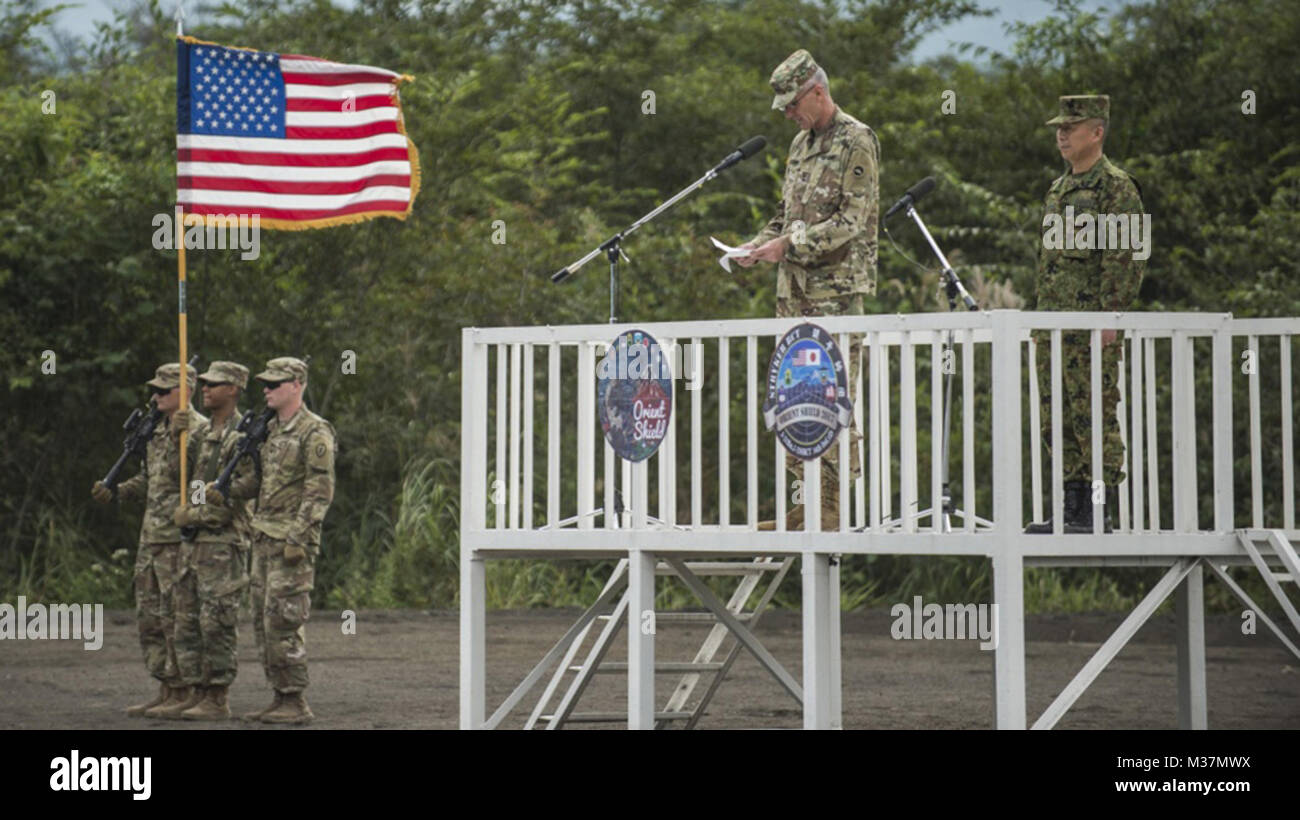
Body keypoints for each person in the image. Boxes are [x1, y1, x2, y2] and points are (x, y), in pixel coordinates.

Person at [736, 48, 880, 529]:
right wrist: (756, 246)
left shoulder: (856, 140)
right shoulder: (800, 146)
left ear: (818, 92)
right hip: (793, 292)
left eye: (794, 106)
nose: (790, 116)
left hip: (834, 291)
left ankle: (832, 507)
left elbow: (850, 222)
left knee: (832, 393)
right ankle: (809, 500)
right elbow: (785, 217)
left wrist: (788, 246)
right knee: (794, 395)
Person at [1025, 95, 1146, 534]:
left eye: (1071, 127)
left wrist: (1111, 316)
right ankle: (1072, 509)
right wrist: (1041, 323)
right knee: (1056, 417)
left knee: (1094, 413)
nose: (1061, 134)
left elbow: (1128, 255)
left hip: (1091, 326)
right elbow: (1051, 264)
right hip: (1055, 325)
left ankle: (1097, 507)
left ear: (1096, 132)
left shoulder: (1116, 187)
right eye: (1059, 127)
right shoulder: (1057, 189)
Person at [207, 357, 335, 724]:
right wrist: (227, 491)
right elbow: (259, 484)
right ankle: (279, 696)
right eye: (265, 383)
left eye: (275, 383)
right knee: (263, 623)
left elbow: (319, 492)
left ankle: (295, 700)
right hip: (263, 537)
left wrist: (299, 536)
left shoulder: (314, 432)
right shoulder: (270, 431)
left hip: (290, 542)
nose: (267, 389)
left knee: (284, 620)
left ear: (297, 384)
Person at [92, 361, 205, 717]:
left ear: (184, 392)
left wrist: (180, 438)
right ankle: (166, 685)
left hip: (177, 537)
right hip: (151, 536)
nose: (154, 396)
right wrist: (119, 491)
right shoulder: (155, 430)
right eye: (153, 390)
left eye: (163, 391)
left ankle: (185, 688)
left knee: (177, 617)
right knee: (150, 616)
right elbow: (151, 479)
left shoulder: (197, 431)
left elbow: (199, 477)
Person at [169, 361, 253, 720]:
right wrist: (179, 438)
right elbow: (189, 481)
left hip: (222, 541)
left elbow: (238, 493)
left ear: (233, 389)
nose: (205, 389)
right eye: (204, 383)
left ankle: (217, 696)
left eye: (214, 384)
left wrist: (197, 514)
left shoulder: (243, 435)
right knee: (188, 619)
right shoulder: (203, 435)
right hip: (197, 542)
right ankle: (198, 690)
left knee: (216, 621)